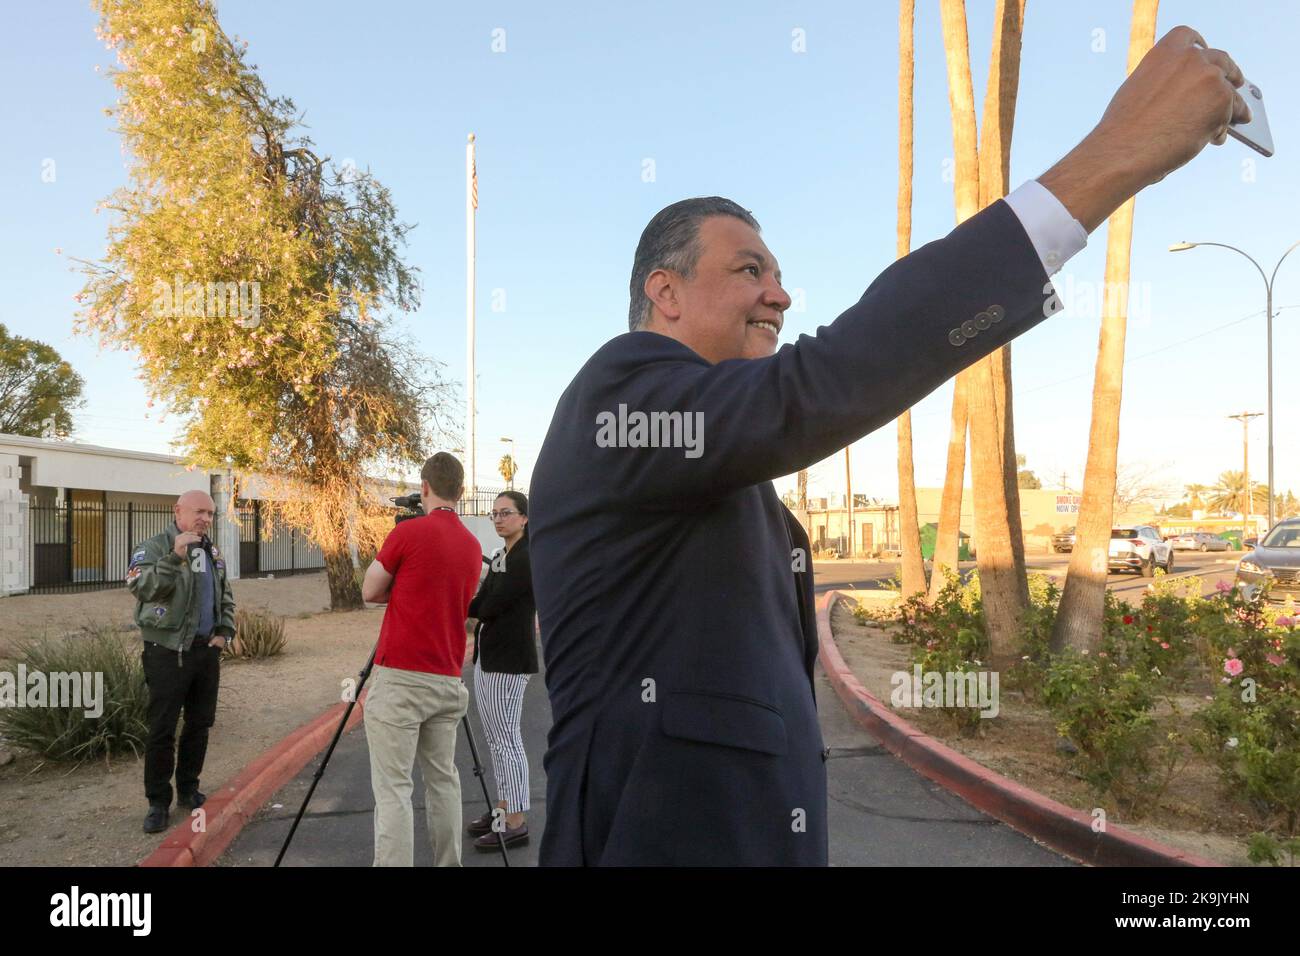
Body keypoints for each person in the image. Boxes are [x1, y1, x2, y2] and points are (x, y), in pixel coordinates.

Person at [527, 27, 1250, 865]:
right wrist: (1115, 157)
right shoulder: (620, 392)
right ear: (666, 292)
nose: (781, 294)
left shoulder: (709, 471)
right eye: (749, 270)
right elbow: (826, 380)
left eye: (778, 274)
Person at [360, 453, 483, 866]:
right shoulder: (471, 545)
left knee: (394, 789)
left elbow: (370, 590)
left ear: (424, 487)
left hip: (401, 679)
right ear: (461, 493)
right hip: (447, 677)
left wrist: (404, 590)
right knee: (443, 780)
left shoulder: (409, 534)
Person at [127, 489, 236, 835]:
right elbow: (142, 588)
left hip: (205, 652)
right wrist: (174, 558)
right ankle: (158, 802)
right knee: (162, 728)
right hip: (166, 651)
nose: (205, 519)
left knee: (200, 724)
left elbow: (225, 594)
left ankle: (189, 789)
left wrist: (224, 633)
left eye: (210, 513)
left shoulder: (211, 550)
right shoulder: (154, 547)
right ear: (178, 511)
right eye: (199, 511)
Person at [466, 490, 538, 851]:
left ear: (524, 518)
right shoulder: (502, 555)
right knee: (497, 741)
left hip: (508, 662)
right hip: (490, 658)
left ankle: (515, 822)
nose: (497, 518)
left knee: (507, 741)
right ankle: (502, 808)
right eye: (494, 513)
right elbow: (482, 600)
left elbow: (489, 604)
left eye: (505, 512)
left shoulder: (525, 557)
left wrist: (469, 603)